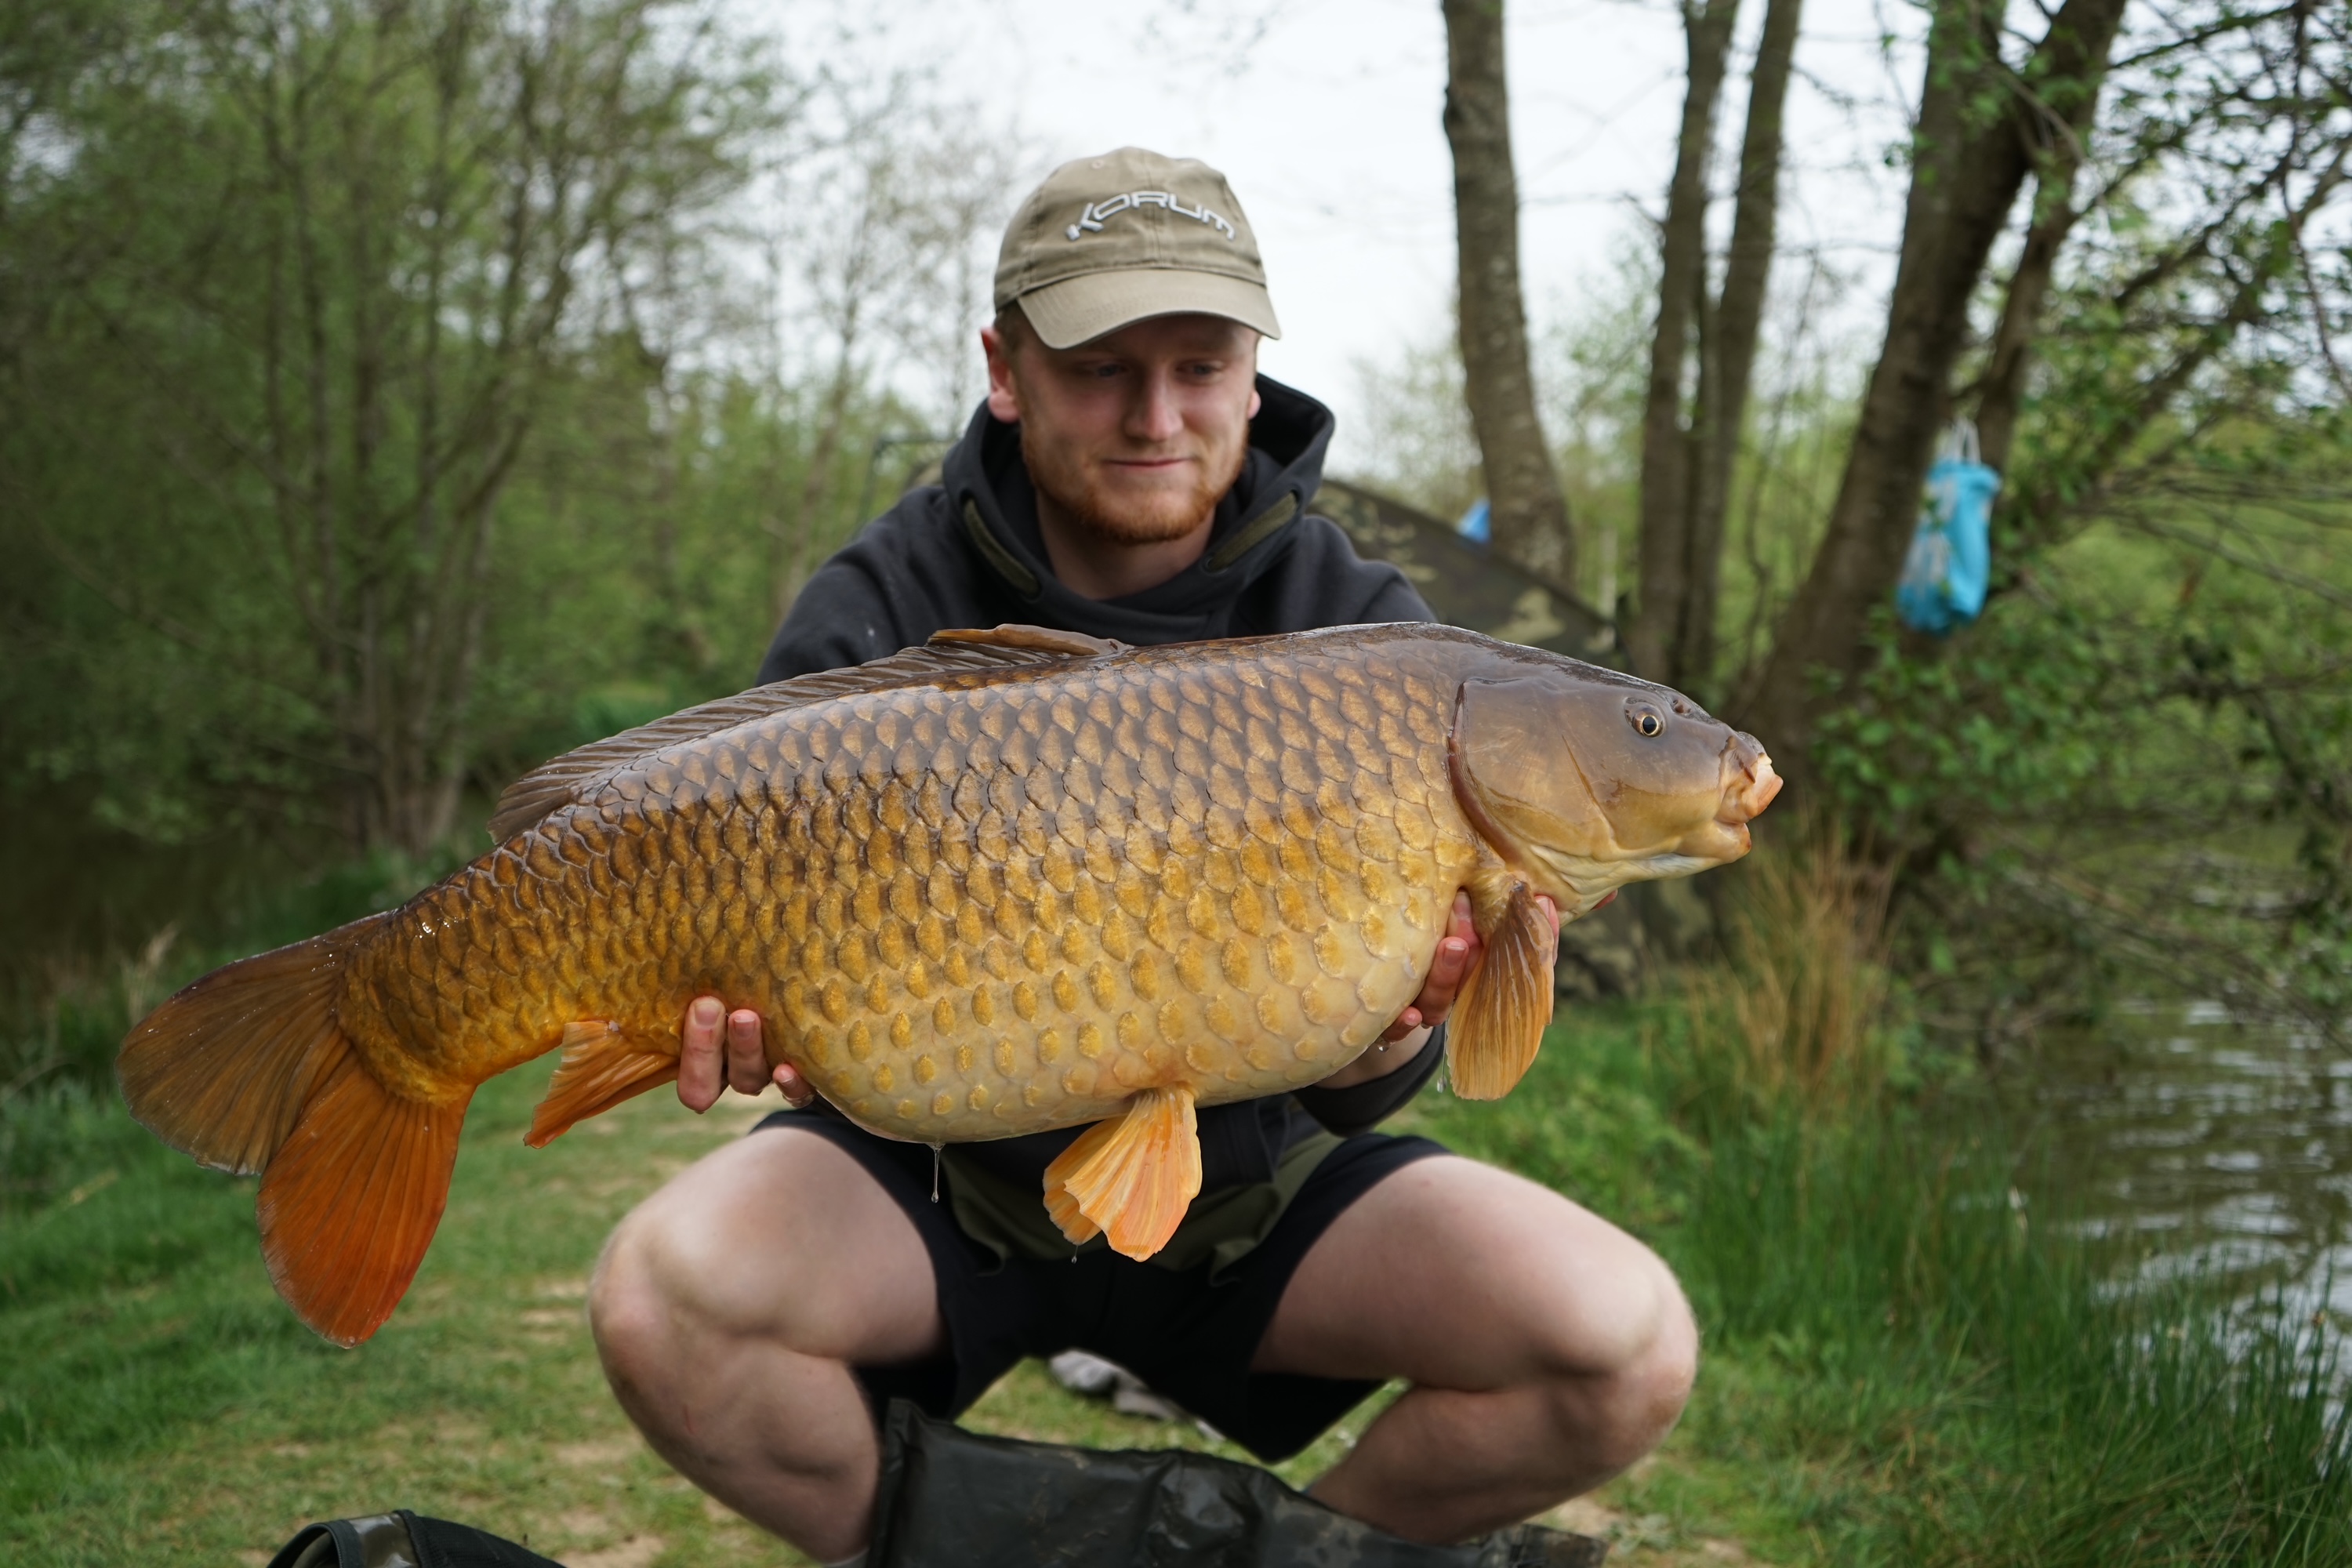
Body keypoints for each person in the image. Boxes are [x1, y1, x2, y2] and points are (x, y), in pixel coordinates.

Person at [587, 147, 1696, 1564]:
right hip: (932, 1181)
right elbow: (736, 930)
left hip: (1250, 1193)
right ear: (1007, 370)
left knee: (1623, 1344)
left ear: (1253, 373)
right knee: (660, 1301)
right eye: (1103, 368)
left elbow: (1377, 1087)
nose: (1156, 416)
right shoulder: (887, 598)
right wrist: (738, 1020)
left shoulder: (1366, 630)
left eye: (1199, 367)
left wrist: (1386, 1034)